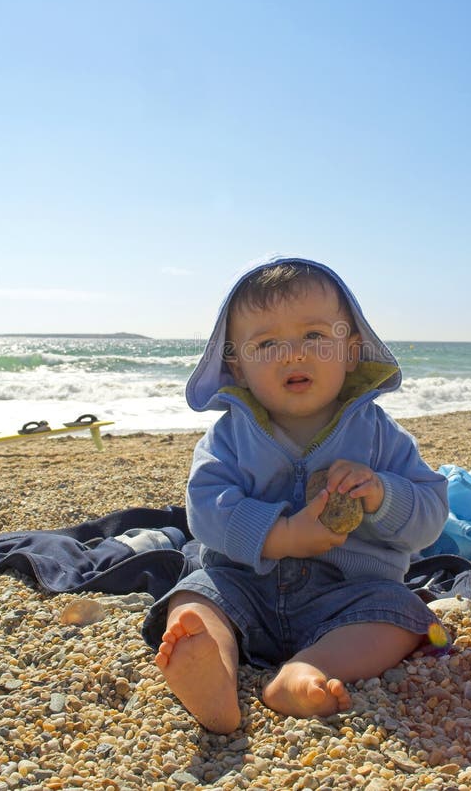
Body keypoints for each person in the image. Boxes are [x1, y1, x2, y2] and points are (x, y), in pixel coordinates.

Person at [142, 256, 449, 733]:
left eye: (314, 336)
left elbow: (431, 514)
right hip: (244, 586)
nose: (293, 355)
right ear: (236, 365)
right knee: (195, 597)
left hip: (349, 595)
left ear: (351, 351)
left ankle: (308, 670)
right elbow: (205, 508)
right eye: (266, 343)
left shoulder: (380, 436)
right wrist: (281, 534)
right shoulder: (228, 438)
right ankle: (212, 672)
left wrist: (381, 494)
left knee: (402, 613)